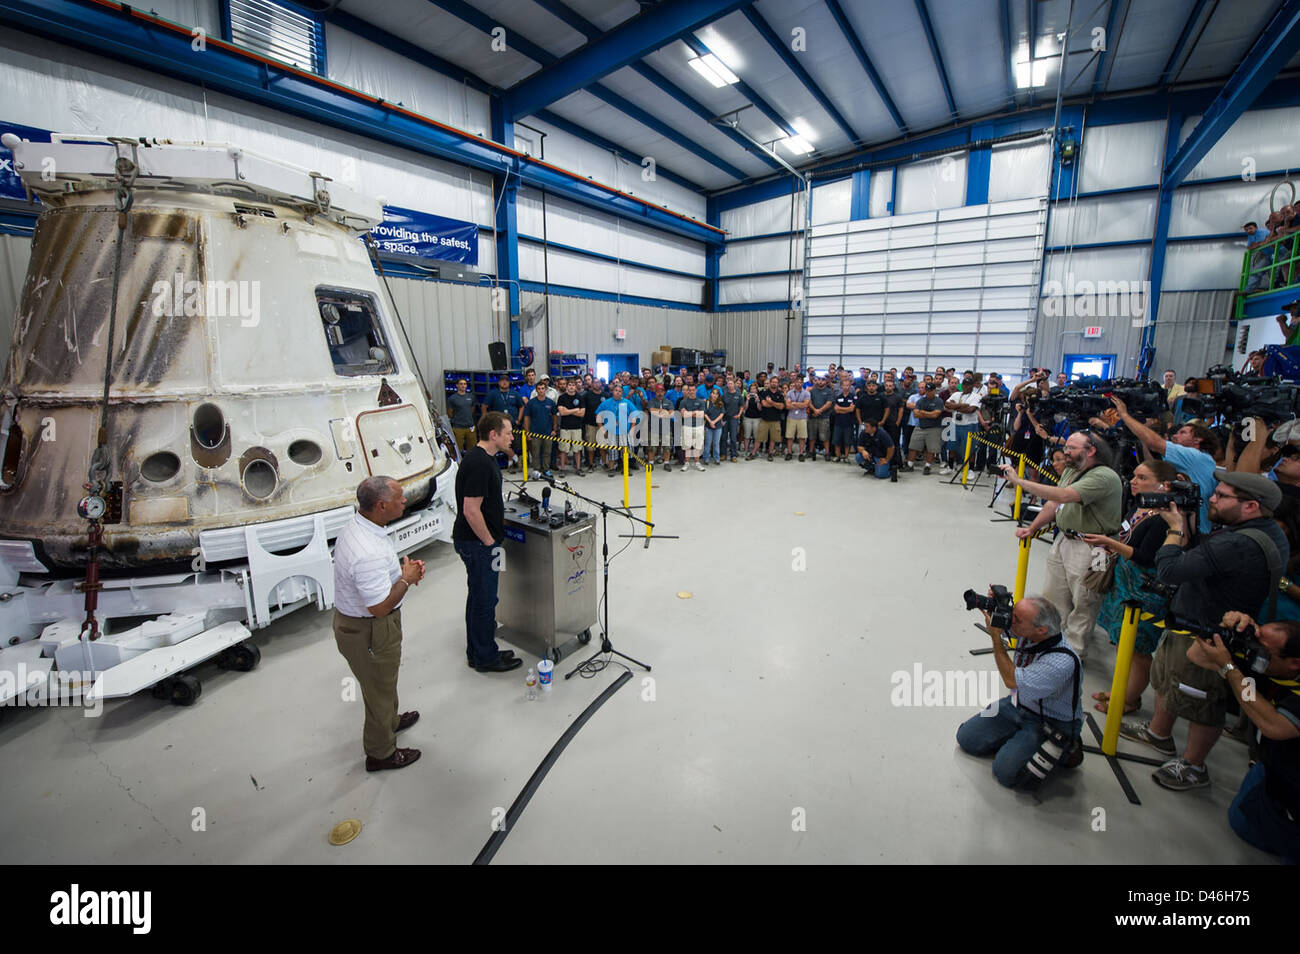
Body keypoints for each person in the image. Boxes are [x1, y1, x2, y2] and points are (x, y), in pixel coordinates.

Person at [1120, 470, 1289, 791]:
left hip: (1210, 634)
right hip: (1192, 620)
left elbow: (1170, 570)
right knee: (1170, 678)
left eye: (1222, 496)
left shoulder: (1238, 543)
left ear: (1252, 505)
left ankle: (1194, 766)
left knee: (1202, 700)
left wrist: (1174, 528)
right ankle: (1159, 733)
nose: (1212, 498)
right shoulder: (1260, 532)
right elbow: (1201, 554)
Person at [1000, 432, 1124, 660]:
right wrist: (1033, 527)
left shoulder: (1103, 476)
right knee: (1054, 597)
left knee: (1085, 603)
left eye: (1071, 447)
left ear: (1091, 450)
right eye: (1066, 446)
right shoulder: (1071, 470)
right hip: (1064, 540)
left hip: (1093, 548)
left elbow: (1065, 496)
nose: (1065, 451)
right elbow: (1054, 503)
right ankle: (1051, 646)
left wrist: (1019, 482)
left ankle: (1072, 657)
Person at [1188, 611, 1300, 863]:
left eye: (1264, 650)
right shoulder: (1266, 660)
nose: (1255, 652)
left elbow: (1273, 725)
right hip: (1272, 777)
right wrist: (1221, 632)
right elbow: (1195, 656)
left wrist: (1230, 668)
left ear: (1295, 663)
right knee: (1242, 824)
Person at [333, 475, 426, 771]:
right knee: (378, 693)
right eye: (399, 497)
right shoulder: (366, 551)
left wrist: (400, 572)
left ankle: (391, 721)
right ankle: (381, 753)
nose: (404, 500)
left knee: (383, 683)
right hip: (370, 629)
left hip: (368, 626)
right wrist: (407, 579)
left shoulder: (365, 526)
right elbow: (380, 607)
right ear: (381, 505)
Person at [1081, 460, 1180, 715]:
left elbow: (1146, 556)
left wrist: (1109, 543)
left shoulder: (1163, 519)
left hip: (1144, 592)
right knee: (1122, 643)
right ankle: (1121, 690)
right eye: (1134, 476)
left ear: (1163, 485)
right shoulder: (1140, 506)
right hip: (1123, 585)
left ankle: (1130, 698)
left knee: (1138, 649)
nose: (1134, 481)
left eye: (1143, 478)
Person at [956, 595, 1083, 789]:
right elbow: (1010, 625)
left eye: (1016, 619)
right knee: (966, 738)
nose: (1010, 621)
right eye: (1012, 613)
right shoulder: (1031, 631)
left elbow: (1010, 680)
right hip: (1019, 704)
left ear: (1041, 629)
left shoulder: (1061, 662)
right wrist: (995, 606)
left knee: (1007, 774)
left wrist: (996, 638)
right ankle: (1019, 742)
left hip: (1049, 720)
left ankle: (1068, 749)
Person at [453, 413, 522, 674]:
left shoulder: (483, 459)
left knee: (477, 598)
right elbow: (471, 510)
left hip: (476, 542)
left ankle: (476, 651)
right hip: (478, 544)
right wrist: (490, 542)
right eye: (508, 433)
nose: (512, 437)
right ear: (493, 434)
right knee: (485, 601)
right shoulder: (480, 463)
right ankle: (486, 658)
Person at [1109, 395, 1218, 529]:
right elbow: (1152, 466)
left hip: (1197, 530)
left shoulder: (1196, 456)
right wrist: (1141, 436)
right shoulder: (1184, 459)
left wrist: (1125, 415)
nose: (1175, 436)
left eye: (1183, 433)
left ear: (1198, 440)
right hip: (1183, 526)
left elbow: (1155, 443)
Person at [483, 374, 524, 470]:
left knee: (512, 444)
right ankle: (516, 459)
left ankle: (510, 465)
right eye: (502, 381)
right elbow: (484, 406)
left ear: (509, 383)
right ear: (498, 383)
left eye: (506, 381)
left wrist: (519, 419)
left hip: (513, 424)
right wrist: (486, 419)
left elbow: (522, 406)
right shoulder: (493, 394)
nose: (504, 383)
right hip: (499, 425)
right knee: (501, 444)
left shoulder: (515, 393)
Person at [904, 380, 944, 474]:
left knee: (931, 448)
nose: (928, 392)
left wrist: (923, 412)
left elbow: (936, 415)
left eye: (930, 390)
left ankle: (927, 466)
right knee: (913, 446)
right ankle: (910, 465)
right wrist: (929, 413)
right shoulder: (921, 401)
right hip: (920, 427)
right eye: (927, 390)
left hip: (934, 428)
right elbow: (915, 414)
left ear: (934, 391)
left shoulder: (938, 401)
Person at [596, 383, 636, 477]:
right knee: (612, 451)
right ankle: (611, 468)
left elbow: (633, 415)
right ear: (612, 391)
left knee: (625, 451)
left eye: (620, 391)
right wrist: (602, 429)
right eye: (616, 391)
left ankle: (626, 468)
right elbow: (598, 415)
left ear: (622, 393)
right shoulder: (606, 403)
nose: (618, 393)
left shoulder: (627, 402)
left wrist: (632, 428)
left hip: (624, 431)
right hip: (611, 431)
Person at [523, 381, 557, 478]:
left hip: (547, 432)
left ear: (545, 390)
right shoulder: (531, 403)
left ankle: (546, 470)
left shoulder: (550, 403)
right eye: (539, 389)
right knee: (535, 453)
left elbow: (555, 416)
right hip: (535, 433)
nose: (541, 390)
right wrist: (527, 432)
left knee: (547, 452)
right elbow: (526, 417)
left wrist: (554, 429)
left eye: (543, 388)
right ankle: (536, 471)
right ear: (536, 390)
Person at [555, 377, 585, 476]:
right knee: (564, 449)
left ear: (576, 387)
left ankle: (578, 468)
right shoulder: (562, 398)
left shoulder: (580, 398)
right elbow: (562, 412)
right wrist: (575, 410)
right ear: (567, 387)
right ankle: (562, 469)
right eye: (570, 385)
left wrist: (568, 411)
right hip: (565, 428)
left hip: (577, 427)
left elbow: (582, 413)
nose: (571, 387)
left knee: (577, 450)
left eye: (573, 385)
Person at [646, 382, 675, 472]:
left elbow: (671, 413)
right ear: (655, 392)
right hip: (654, 428)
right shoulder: (651, 401)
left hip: (666, 428)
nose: (660, 393)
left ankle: (666, 463)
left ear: (664, 392)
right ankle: (651, 462)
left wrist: (660, 412)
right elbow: (651, 411)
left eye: (661, 391)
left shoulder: (669, 402)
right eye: (658, 391)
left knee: (667, 446)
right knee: (652, 447)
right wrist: (663, 411)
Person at [446, 378, 476, 454]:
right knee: (457, 449)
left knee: (472, 449)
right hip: (458, 427)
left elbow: (472, 409)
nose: (463, 385)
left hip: (470, 427)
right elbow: (450, 412)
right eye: (461, 384)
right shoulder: (452, 398)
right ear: (457, 385)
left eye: (465, 384)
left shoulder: (471, 397)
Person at [758, 378, 785, 461]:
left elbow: (781, 407)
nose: (774, 383)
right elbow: (764, 404)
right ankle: (753, 452)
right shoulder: (764, 393)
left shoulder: (780, 394)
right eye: (773, 382)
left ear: (778, 384)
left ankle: (770, 453)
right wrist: (776, 404)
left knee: (773, 439)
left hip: (775, 420)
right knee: (759, 438)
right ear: (770, 383)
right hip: (764, 419)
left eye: (776, 382)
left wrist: (771, 402)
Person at [784, 377, 811, 461]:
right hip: (791, 417)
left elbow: (806, 405)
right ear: (794, 382)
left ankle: (801, 453)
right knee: (789, 436)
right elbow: (788, 406)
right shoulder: (789, 393)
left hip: (802, 417)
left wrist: (794, 403)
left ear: (802, 383)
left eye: (800, 382)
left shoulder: (806, 393)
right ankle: (789, 452)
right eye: (797, 382)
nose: (799, 383)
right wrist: (800, 404)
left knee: (802, 437)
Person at [831, 379, 857, 463]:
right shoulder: (838, 397)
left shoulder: (853, 397)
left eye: (848, 385)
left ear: (850, 386)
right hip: (838, 422)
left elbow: (852, 409)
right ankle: (837, 456)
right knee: (836, 440)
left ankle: (846, 457)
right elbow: (836, 409)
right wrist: (847, 409)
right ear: (841, 386)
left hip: (848, 423)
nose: (846, 387)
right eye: (844, 385)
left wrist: (842, 409)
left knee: (847, 441)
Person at [720, 377, 744, 462]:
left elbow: (741, 406)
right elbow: (721, 407)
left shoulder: (738, 395)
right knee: (724, 437)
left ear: (734, 385)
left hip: (734, 419)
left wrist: (739, 415)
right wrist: (721, 418)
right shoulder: (724, 395)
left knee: (733, 437)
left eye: (731, 383)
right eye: (728, 384)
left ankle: (734, 455)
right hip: (725, 418)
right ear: (727, 385)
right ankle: (723, 454)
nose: (730, 385)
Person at [703, 389, 725, 465]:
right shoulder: (707, 403)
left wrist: (714, 422)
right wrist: (710, 422)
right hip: (708, 426)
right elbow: (705, 413)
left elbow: (722, 414)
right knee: (708, 443)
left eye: (716, 394)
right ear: (711, 394)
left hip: (718, 426)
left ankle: (717, 458)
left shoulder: (720, 404)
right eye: (713, 393)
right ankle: (706, 458)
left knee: (716, 443)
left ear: (718, 395)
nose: (715, 395)